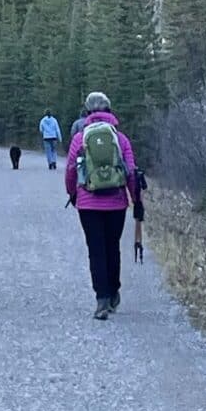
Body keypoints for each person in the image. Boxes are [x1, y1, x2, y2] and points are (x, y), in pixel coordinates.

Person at [65, 90, 136, 321]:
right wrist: (135, 199)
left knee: (95, 250)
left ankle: (101, 300)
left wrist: (73, 192)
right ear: (109, 110)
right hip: (116, 202)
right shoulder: (120, 138)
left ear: (87, 111)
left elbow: (71, 171)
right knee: (112, 247)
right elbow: (131, 172)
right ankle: (114, 291)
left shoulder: (80, 138)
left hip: (88, 202)